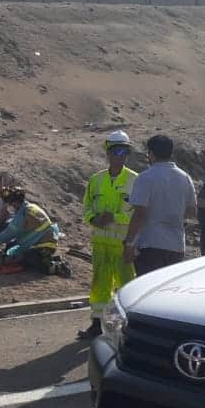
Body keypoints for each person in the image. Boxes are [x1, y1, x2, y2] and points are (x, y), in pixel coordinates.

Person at [78, 130, 139, 340]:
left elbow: (137, 213)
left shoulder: (135, 180)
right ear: (108, 153)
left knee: (126, 286)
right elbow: (86, 207)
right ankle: (97, 324)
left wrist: (114, 217)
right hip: (100, 243)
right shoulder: (96, 180)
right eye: (115, 151)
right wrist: (93, 219)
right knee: (99, 286)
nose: (119, 155)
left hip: (123, 245)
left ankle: (131, 327)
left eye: (124, 151)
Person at [123, 135, 197, 275]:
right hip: (176, 246)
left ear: (151, 154)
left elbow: (139, 214)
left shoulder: (146, 177)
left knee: (148, 290)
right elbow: (192, 212)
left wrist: (129, 244)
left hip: (150, 245)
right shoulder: (185, 177)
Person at [0, 187, 72, 277]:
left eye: (11, 202)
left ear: (16, 201)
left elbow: (6, 235)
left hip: (44, 244)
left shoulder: (23, 213)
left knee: (30, 262)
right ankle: (49, 258)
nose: (10, 205)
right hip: (42, 241)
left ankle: (58, 267)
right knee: (11, 248)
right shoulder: (29, 207)